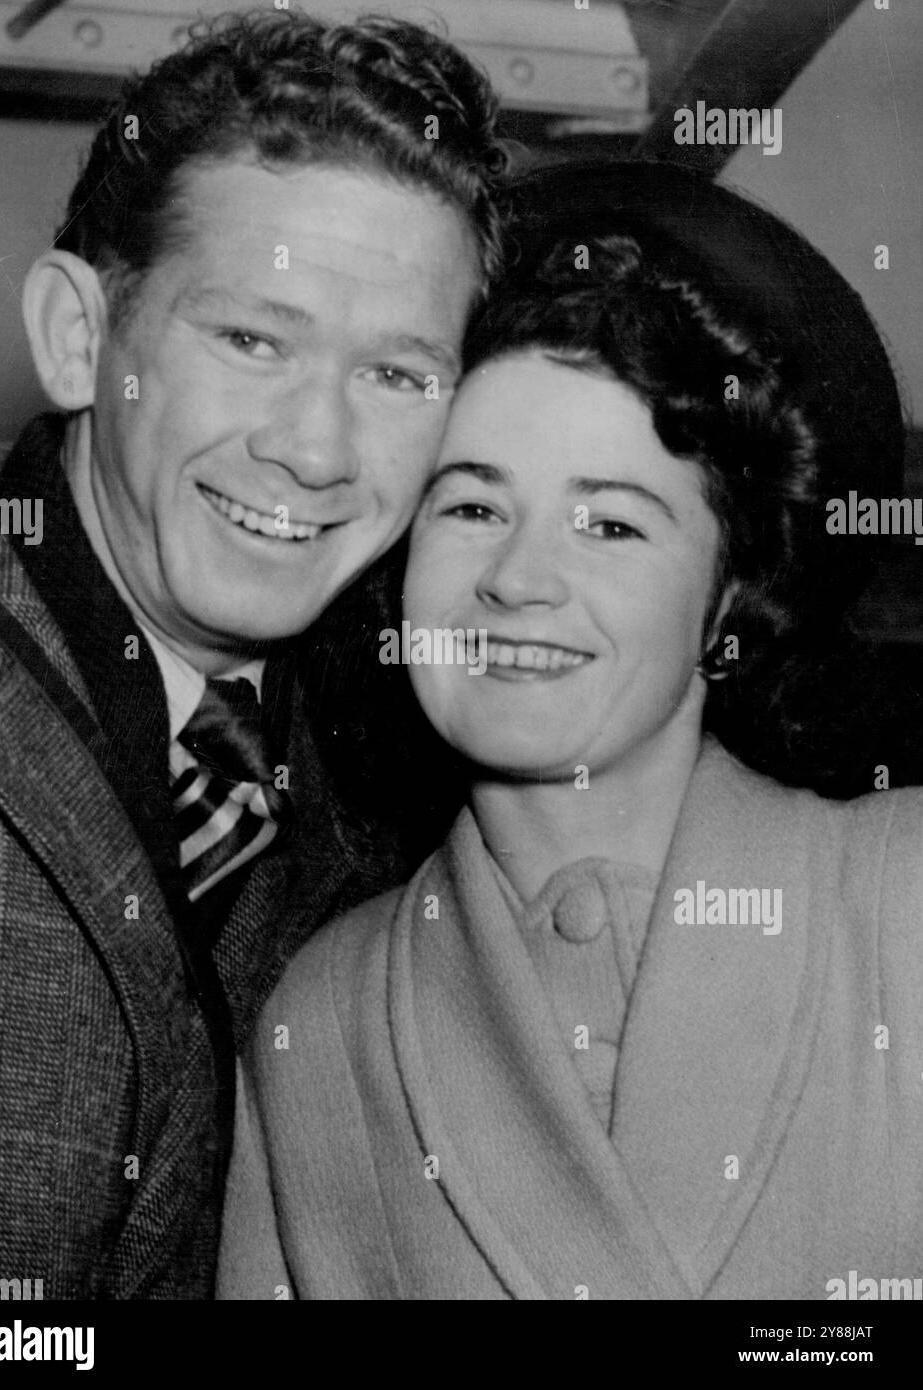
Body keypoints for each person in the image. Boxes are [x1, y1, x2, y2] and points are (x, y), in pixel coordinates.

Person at [217, 164, 923, 1301]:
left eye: (610, 522)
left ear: (728, 590)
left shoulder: (901, 904)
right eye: (472, 506)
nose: (517, 579)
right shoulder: (323, 1025)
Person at [0, 10, 507, 1298]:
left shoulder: (380, 772)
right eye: (252, 339)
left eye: (397, 375)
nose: (314, 449)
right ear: (80, 336)